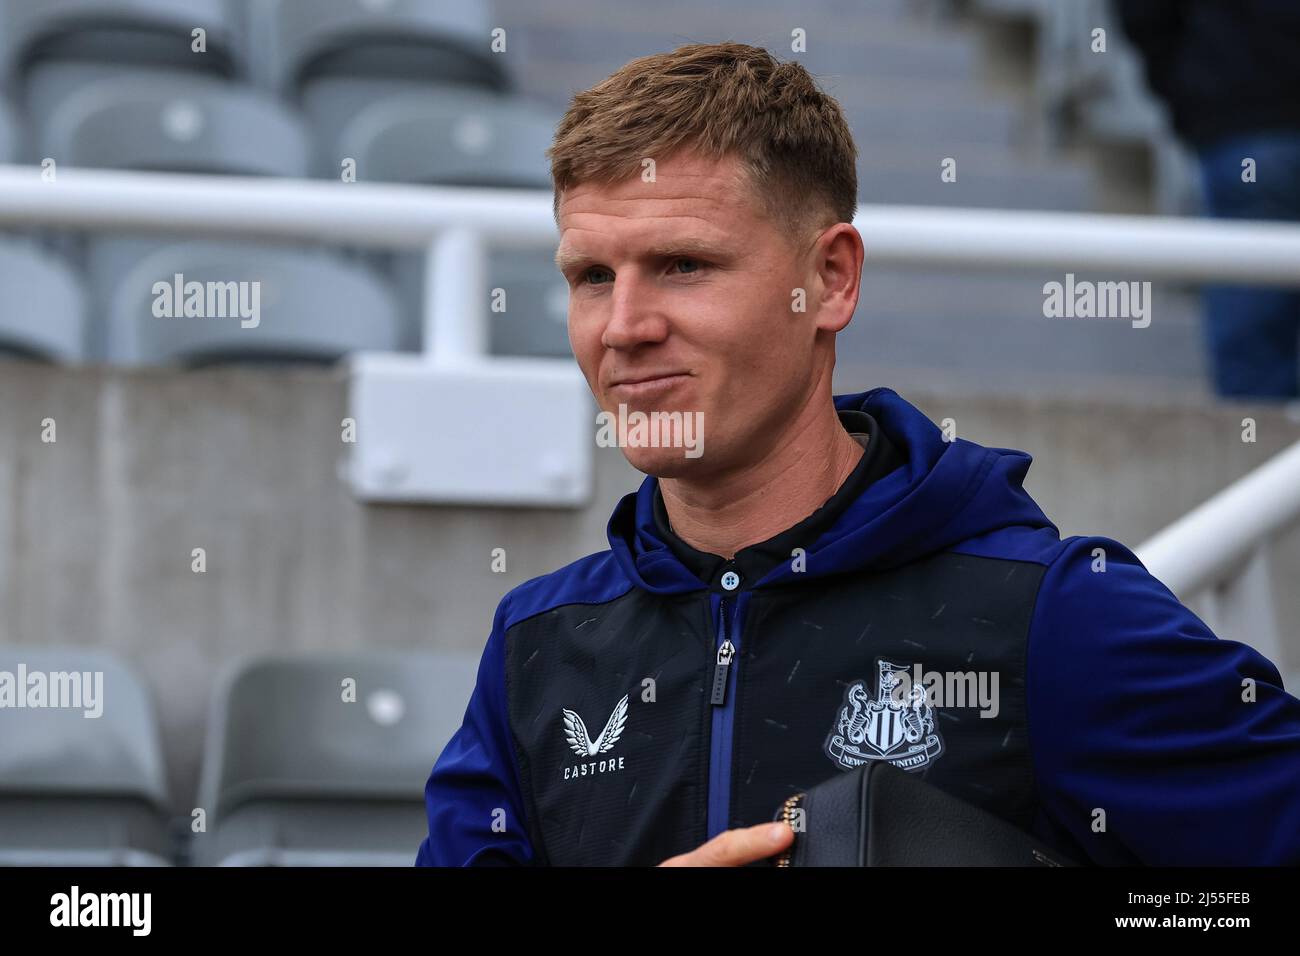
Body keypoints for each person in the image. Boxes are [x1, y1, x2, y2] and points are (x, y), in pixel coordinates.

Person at [415, 42, 1300, 867]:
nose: (625, 328)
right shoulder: (537, 643)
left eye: (684, 265)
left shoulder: (1053, 617)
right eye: (592, 277)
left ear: (830, 280)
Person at [1117, 0, 1300, 399]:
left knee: (1255, 366)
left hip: (1242, 117)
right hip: (1241, 116)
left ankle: (1258, 451)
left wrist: (1193, 96)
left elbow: (1143, 16)